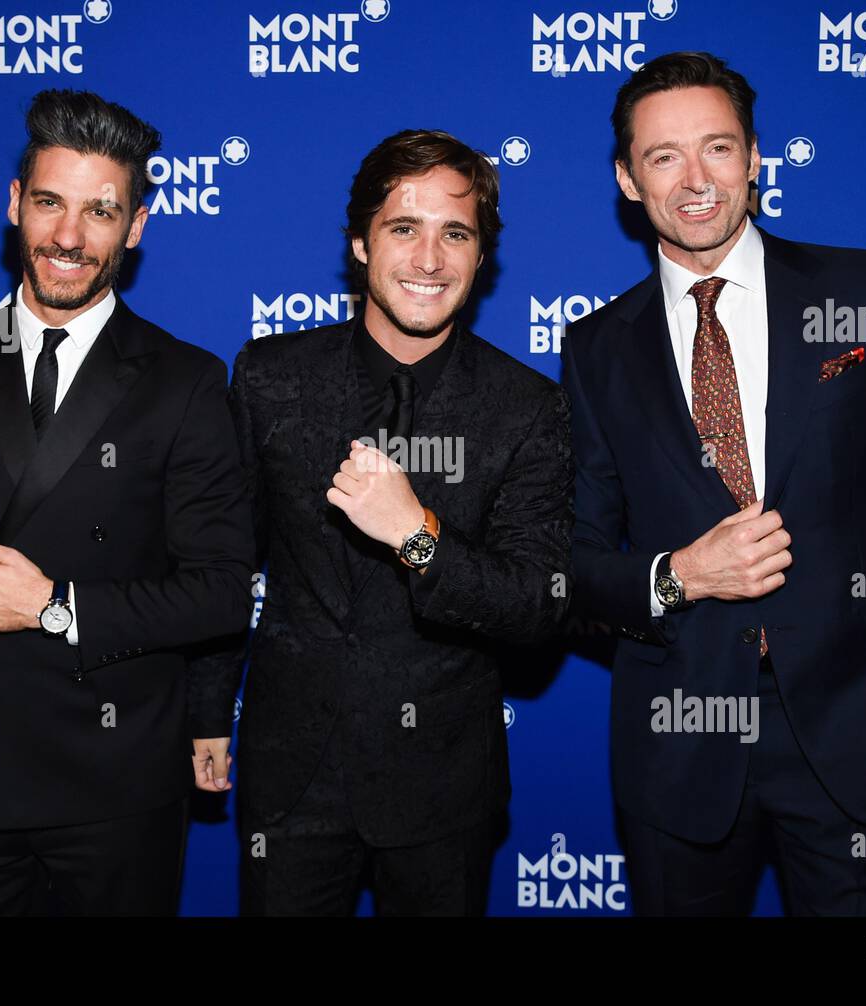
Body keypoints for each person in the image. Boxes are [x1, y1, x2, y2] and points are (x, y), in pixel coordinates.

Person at [563, 51, 866, 915]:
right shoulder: (596, 349)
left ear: (756, 157)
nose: (695, 179)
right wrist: (679, 575)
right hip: (680, 746)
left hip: (863, 733)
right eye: (663, 157)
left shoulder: (862, 289)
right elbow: (571, 560)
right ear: (626, 178)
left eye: (717, 148)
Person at [0, 89, 255, 915]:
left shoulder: (184, 381)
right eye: (50, 203)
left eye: (101, 212)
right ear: (15, 204)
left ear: (137, 226)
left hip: (118, 793)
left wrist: (53, 608)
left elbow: (221, 593)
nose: (71, 238)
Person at [207, 129, 573, 915]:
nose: (429, 259)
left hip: (443, 785)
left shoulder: (528, 409)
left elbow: (537, 605)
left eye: (456, 234)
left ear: (482, 258)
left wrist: (419, 535)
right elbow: (225, 558)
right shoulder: (271, 378)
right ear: (359, 244)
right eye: (404, 229)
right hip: (290, 773)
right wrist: (208, 711)